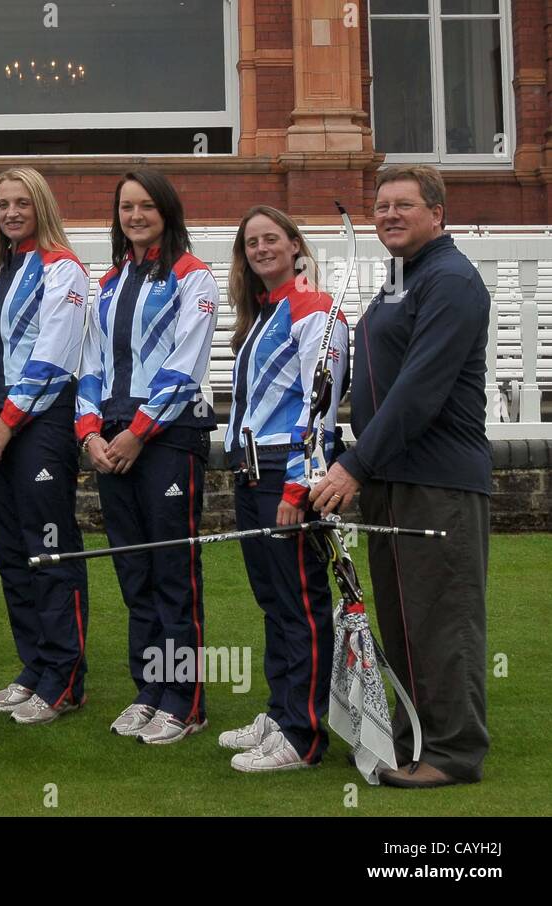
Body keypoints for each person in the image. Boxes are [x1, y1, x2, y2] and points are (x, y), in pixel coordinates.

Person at [311, 165, 491, 788]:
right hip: (392, 473)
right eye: (381, 205)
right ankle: (415, 736)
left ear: (437, 213)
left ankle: (454, 752)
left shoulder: (451, 280)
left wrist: (355, 465)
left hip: (437, 480)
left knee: (441, 616)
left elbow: (420, 391)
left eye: (404, 205)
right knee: (403, 618)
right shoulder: (400, 277)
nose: (388, 214)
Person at [75, 169, 218, 744]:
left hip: (168, 438)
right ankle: (149, 689)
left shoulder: (194, 277)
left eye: (146, 207)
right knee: (135, 573)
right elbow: (88, 365)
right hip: (110, 440)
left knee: (173, 574)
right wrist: (89, 434)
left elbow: (186, 366)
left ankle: (186, 701)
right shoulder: (108, 283)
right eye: (126, 208)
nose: (134, 216)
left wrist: (137, 432)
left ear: (167, 211)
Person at [0, 167, 89, 726]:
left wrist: (7, 423)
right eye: (3, 204)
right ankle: (33, 666)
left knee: (48, 548)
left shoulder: (64, 270)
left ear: (41, 207)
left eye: (22, 203)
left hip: (38, 425)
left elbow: (53, 356)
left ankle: (65, 678)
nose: (11, 213)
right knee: (12, 552)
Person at [219, 205, 346, 771]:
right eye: (251, 243)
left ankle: (305, 734)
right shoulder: (264, 314)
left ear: (296, 246)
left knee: (300, 602)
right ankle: (281, 709)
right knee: (274, 602)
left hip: (284, 472)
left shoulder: (314, 309)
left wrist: (297, 488)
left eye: (272, 239)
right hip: (251, 470)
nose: (261, 249)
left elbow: (318, 407)